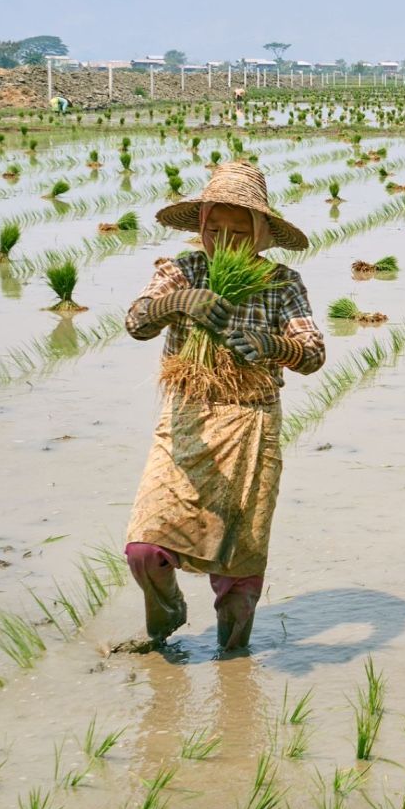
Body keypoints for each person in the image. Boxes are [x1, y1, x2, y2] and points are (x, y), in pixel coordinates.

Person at [120, 161, 324, 652]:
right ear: (202, 226)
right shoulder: (182, 270)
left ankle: (235, 667)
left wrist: (271, 344)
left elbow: (313, 353)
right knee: (146, 548)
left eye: (240, 231)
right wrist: (179, 303)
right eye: (215, 229)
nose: (226, 240)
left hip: (253, 424)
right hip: (185, 419)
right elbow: (135, 321)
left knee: (239, 562)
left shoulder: (282, 282)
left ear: (260, 233)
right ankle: (166, 616)